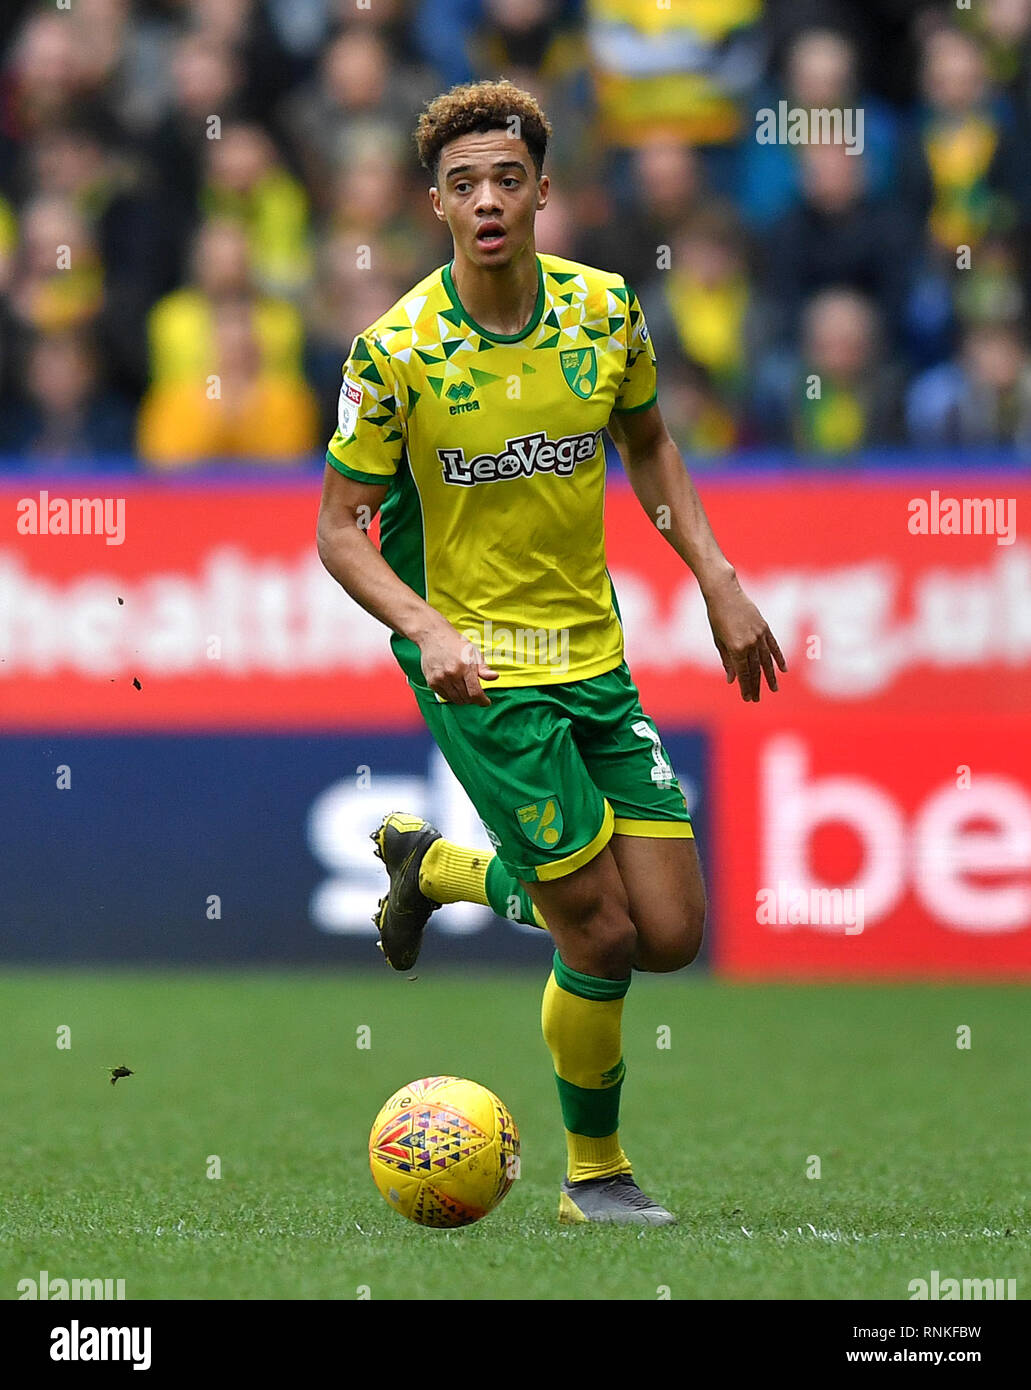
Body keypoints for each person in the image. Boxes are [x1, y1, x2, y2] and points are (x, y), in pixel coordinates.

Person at [315, 79, 785, 1227]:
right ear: (434, 203)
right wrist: (423, 626)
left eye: (507, 180)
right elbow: (337, 530)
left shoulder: (603, 312)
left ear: (541, 192)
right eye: (463, 184)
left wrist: (716, 579)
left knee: (672, 932)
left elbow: (652, 448)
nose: (487, 201)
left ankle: (435, 870)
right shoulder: (396, 354)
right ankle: (594, 1176)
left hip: (593, 659)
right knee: (600, 929)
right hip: (479, 673)